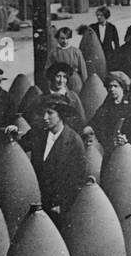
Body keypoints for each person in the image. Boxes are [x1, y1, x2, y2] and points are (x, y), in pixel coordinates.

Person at [13, 93, 86, 232]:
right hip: (38, 202)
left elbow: (77, 179)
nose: (45, 117)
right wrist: (12, 136)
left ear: (61, 115)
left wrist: (63, 204)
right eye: (43, 113)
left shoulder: (74, 142)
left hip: (58, 208)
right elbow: (19, 148)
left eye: (50, 113)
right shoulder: (37, 134)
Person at [90, 71, 131, 149]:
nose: (112, 89)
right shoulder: (108, 103)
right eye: (110, 86)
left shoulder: (130, 105)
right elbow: (96, 119)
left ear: (123, 87)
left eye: (116, 86)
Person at [43, 62, 87, 134]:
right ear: (52, 77)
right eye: (58, 76)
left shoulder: (73, 97)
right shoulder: (43, 98)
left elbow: (81, 120)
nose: (61, 81)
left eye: (65, 77)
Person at [47, 26, 88, 94]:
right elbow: (48, 70)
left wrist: (85, 85)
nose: (65, 41)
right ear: (57, 39)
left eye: (67, 38)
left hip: (75, 83)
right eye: (62, 38)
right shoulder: (53, 53)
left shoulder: (76, 52)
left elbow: (83, 70)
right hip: (60, 83)